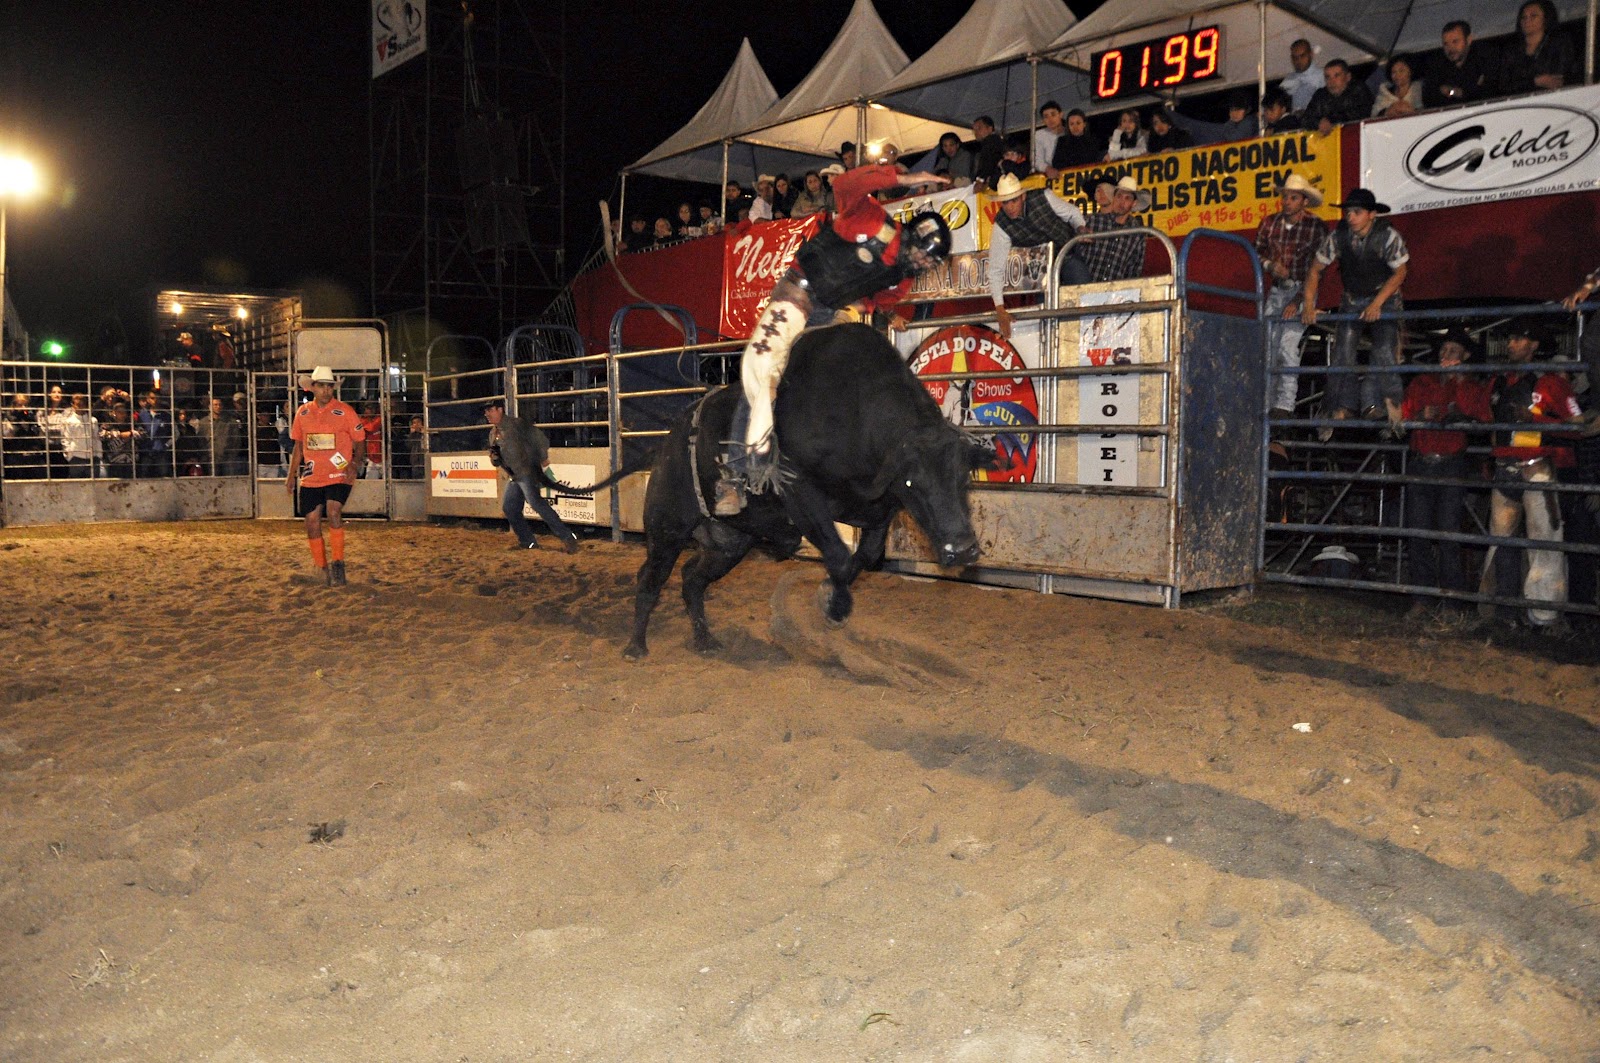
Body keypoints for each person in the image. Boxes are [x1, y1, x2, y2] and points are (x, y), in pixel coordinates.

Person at [716, 162, 953, 515]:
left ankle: (825, 466)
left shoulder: (902, 279)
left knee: (838, 378)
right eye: (924, 256)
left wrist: (875, 313)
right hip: (797, 294)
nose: (922, 264)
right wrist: (904, 178)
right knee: (764, 374)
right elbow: (845, 185)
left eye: (929, 262)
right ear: (914, 239)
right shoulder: (873, 222)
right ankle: (734, 478)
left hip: (829, 311)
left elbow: (875, 301)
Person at [1483, 320, 1589, 630]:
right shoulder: (1499, 382)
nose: (1511, 344)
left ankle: (1543, 617)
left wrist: (1536, 421)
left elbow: (1578, 426)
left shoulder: (1551, 383)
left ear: (1534, 345)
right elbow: (1485, 418)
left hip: (1538, 468)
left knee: (1542, 542)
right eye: (1511, 339)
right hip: (1507, 467)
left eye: (1518, 339)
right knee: (1503, 542)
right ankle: (1505, 611)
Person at [1384, 330, 1493, 615]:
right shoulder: (1423, 382)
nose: (1446, 356)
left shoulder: (1469, 385)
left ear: (1465, 356)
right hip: (1424, 462)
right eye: (1444, 350)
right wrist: (1421, 416)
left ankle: (1449, 601)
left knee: (1448, 534)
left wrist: (1459, 385)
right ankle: (1426, 598)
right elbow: (1402, 419)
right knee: (1419, 534)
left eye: (1452, 351)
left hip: (1449, 463)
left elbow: (1482, 419)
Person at [1301, 188, 1409, 429]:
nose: (1350, 217)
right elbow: (1315, 269)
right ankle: (1343, 406)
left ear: (1371, 214)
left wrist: (1377, 303)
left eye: (1356, 212)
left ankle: (1385, 404)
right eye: (1348, 212)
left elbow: (1400, 272)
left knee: (1384, 349)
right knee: (1343, 353)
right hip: (1354, 297)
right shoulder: (1339, 236)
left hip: (1384, 298)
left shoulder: (1388, 236)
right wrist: (1308, 305)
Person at [1254, 174, 1329, 418]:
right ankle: (1268, 404)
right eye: (1285, 197)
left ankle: (1283, 405)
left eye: (1293, 198)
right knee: (1268, 346)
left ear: (1304, 201)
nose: (1287, 202)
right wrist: (1269, 265)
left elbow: (1318, 269)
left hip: (1302, 290)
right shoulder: (1269, 223)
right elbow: (1257, 252)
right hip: (1279, 289)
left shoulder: (1316, 227)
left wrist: (1299, 301)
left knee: (1286, 345)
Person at [287, 365, 366, 586]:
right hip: (312, 476)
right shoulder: (302, 413)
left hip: (339, 473)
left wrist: (354, 463)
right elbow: (298, 446)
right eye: (322, 386)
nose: (326, 390)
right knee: (311, 521)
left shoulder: (345, 411)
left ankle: (338, 564)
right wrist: (291, 475)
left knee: (333, 510)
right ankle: (321, 568)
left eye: (329, 386)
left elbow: (360, 440)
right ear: (313, 387)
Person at [986, 173, 1085, 339]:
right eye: (1005, 202)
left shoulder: (1044, 197)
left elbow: (1072, 213)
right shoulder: (1001, 225)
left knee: (1083, 296)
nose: (1010, 207)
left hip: (1067, 255)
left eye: (1013, 200)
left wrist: (1080, 227)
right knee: (1045, 316)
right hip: (1041, 272)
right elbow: (995, 269)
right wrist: (999, 308)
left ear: (1023, 196)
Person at [482, 397, 581, 553]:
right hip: (516, 475)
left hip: (527, 471)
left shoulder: (515, 425)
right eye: (486, 411)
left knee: (534, 504)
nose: (487, 414)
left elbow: (540, 438)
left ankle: (566, 537)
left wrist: (541, 457)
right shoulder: (494, 433)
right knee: (511, 508)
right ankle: (530, 541)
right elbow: (497, 460)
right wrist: (495, 459)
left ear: (500, 410)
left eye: (490, 410)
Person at [1062, 176, 1150, 287]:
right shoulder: (1091, 221)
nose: (1121, 202)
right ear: (1113, 198)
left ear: (1134, 203)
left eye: (1127, 198)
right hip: (1084, 288)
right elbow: (1068, 252)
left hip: (1114, 293)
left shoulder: (1137, 233)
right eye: (1119, 196)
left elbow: (1134, 269)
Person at [1492, 0, 1576, 95]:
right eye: (1523, 17)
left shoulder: (1559, 44)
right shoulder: (1511, 50)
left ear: (1546, 18)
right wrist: (1535, 82)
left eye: (1533, 16)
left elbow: (1560, 79)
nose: (1527, 20)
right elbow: (1503, 86)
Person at [1422, 21, 1490, 108]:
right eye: (1446, 44)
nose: (1450, 49)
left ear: (1468, 40)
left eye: (1455, 41)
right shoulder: (1437, 67)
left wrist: (1455, 92)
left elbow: (1488, 93)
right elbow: (1429, 98)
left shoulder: (1483, 61)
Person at [1302, 59, 1375, 135]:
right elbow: (1305, 119)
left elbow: (1360, 114)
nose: (1332, 81)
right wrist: (1319, 123)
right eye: (1327, 77)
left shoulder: (1358, 89)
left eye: (1336, 76)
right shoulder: (1320, 95)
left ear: (1348, 77)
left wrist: (1330, 121)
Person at [1162, 90, 1253, 146]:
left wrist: (1230, 123)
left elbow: (1234, 138)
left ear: (1246, 110)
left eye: (1238, 110)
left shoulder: (1250, 121)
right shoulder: (1231, 125)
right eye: (1232, 110)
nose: (1234, 113)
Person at [2, 393, 46, 479]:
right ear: (14, 405)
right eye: (20, 405)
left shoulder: (31, 417)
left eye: (25, 405)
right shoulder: (8, 417)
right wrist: (17, 424)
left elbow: (39, 435)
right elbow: (8, 436)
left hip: (32, 456)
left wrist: (33, 424)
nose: (23, 407)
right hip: (16, 456)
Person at [196, 397, 242, 477]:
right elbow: (200, 440)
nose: (218, 407)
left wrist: (231, 456)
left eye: (220, 405)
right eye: (215, 405)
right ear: (209, 407)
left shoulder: (231, 422)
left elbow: (236, 440)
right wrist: (204, 456)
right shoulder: (203, 422)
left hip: (227, 460)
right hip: (210, 460)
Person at [56, 393, 99, 477]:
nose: (80, 407)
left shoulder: (93, 420)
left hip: (93, 458)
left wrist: (98, 455)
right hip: (76, 458)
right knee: (76, 483)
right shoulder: (69, 421)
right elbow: (65, 440)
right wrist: (69, 456)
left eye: (83, 404)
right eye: (78, 404)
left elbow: (97, 438)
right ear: (73, 405)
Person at [134, 389, 172, 478]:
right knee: (144, 475)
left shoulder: (167, 416)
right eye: (152, 398)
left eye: (158, 398)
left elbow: (175, 433)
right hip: (146, 451)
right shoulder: (142, 415)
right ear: (147, 399)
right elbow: (138, 429)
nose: (155, 400)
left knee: (164, 475)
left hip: (161, 452)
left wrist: (166, 445)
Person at [1279, 38, 1322, 114]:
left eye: (1302, 56)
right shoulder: (1288, 79)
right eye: (1295, 57)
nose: (1298, 61)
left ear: (1311, 54)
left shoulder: (1322, 76)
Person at [98, 401, 136, 479]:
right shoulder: (108, 425)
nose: (122, 414)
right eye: (120, 412)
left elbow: (142, 433)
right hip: (113, 461)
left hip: (130, 461)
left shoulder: (131, 424)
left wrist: (131, 433)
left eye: (124, 412)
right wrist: (120, 434)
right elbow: (101, 435)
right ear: (114, 413)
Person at [1033, 100, 1067, 179]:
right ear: (1043, 120)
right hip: (1049, 178)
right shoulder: (1039, 135)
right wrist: (1047, 169)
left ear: (1061, 114)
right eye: (1046, 117)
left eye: (1053, 114)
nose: (1050, 119)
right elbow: (1037, 160)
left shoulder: (1069, 132)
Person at [969, 116, 1006, 188]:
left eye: (979, 128)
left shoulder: (991, 143)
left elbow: (988, 163)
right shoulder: (995, 142)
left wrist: (981, 179)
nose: (976, 132)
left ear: (990, 129)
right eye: (974, 130)